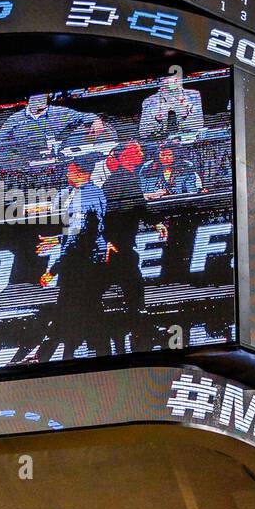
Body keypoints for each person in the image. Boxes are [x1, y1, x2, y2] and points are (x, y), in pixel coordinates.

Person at [27, 151, 108, 361]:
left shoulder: (84, 198)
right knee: (86, 309)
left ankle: (47, 355)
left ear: (80, 173)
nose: (66, 174)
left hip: (81, 265)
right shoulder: (93, 192)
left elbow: (77, 241)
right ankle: (80, 353)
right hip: (92, 261)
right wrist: (56, 240)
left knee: (67, 309)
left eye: (70, 171)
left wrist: (53, 271)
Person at [100, 140, 153, 353]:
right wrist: (106, 241)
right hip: (118, 246)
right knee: (132, 286)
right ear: (126, 156)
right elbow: (108, 214)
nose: (141, 153)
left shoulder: (123, 179)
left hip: (118, 245)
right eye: (137, 150)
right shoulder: (125, 179)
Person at [0, 93, 101, 158]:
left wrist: (96, 120)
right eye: (36, 95)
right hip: (30, 161)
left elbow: (84, 116)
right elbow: (1, 140)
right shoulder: (14, 119)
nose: (40, 98)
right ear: (28, 98)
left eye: (43, 94)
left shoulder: (60, 112)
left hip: (60, 159)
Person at [139, 79, 204, 142]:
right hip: (161, 142)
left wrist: (184, 113)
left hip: (188, 138)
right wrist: (157, 119)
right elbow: (144, 133)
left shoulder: (193, 96)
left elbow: (198, 125)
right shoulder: (149, 102)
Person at [139, 141, 204, 199]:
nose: (166, 158)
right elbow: (145, 193)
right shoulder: (147, 168)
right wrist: (156, 194)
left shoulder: (186, 166)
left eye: (169, 155)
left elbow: (191, 191)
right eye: (163, 155)